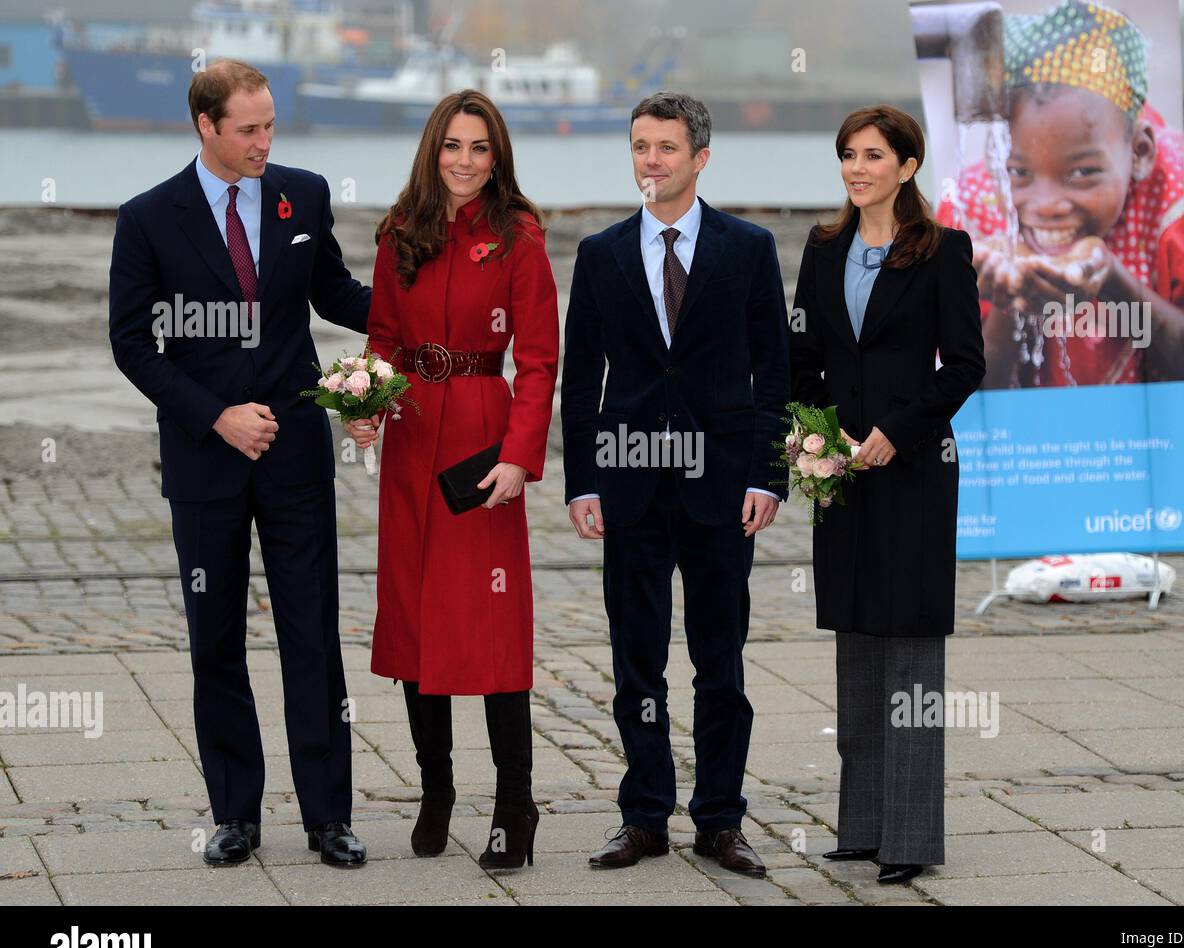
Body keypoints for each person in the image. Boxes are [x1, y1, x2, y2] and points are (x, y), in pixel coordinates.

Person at [109, 59, 372, 867]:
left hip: (296, 452)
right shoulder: (148, 217)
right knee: (214, 638)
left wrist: (427, 307)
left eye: (270, 126)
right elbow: (131, 344)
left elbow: (334, 293)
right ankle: (235, 816)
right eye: (248, 129)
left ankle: (329, 817)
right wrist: (214, 416)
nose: (264, 142)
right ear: (206, 126)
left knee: (312, 634)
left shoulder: (304, 191)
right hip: (204, 460)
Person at [561, 92, 789, 877]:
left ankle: (721, 820)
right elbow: (580, 378)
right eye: (639, 147)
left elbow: (775, 373)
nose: (650, 161)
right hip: (628, 484)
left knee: (720, 662)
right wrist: (580, 482)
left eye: (665, 147)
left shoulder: (748, 248)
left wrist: (770, 474)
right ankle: (645, 816)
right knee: (637, 661)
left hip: (722, 487)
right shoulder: (601, 253)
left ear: (700, 157)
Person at [346, 90, 559, 870]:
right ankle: (436, 791)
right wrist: (365, 405)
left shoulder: (519, 237)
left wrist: (518, 455)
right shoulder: (400, 230)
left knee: (492, 628)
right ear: (432, 150)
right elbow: (383, 337)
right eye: (453, 146)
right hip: (409, 438)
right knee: (414, 622)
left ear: (497, 157)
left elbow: (538, 360)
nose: (465, 161)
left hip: (481, 439)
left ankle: (516, 803)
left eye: (480, 148)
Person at [789, 104, 985, 885]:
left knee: (909, 646)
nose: (856, 168)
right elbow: (800, 354)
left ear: (908, 166)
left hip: (912, 471)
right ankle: (862, 824)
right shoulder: (823, 246)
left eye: (873, 155)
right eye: (847, 155)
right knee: (856, 644)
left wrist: (898, 430)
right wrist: (816, 433)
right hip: (838, 472)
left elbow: (965, 365)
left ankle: (909, 835)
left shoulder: (944, 251)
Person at [936, 0, 1184, 388]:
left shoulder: (1173, 199)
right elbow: (968, 403)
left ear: (1139, 152)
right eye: (1019, 172)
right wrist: (1010, 301)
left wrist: (1113, 280)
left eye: (1083, 173)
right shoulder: (970, 214)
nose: (1047, 206)